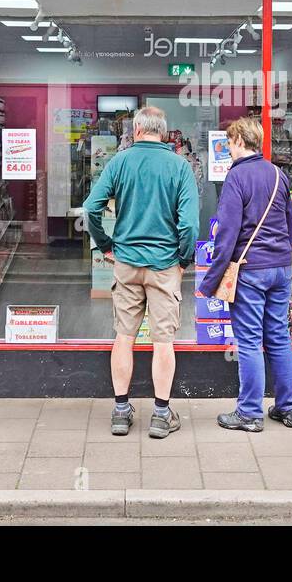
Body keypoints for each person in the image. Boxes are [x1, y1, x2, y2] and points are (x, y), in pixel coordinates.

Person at [85, 105, 199, 440]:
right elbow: (190, 224)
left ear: (136, 130)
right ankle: (161, 415)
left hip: (127, 262)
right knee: (164, 341)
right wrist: (183, 259)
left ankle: (121, 411)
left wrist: (106, 244)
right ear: (163, 133)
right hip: (165, 266)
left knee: (124, 336)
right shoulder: (180, 167)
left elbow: (91, 207)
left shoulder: (119, 162)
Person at [197, 117, 292, 432]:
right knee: (280, 337)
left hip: (250, 269)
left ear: (240, 141)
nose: (227, 148)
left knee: (250, 340)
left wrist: (210, 280)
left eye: (229, 142)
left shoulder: (237, 177)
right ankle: (288, 408)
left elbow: (226, 235)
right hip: (281, 268)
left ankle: (250, 413)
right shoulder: (277, 174)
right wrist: (282, 257)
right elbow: (290, 223)